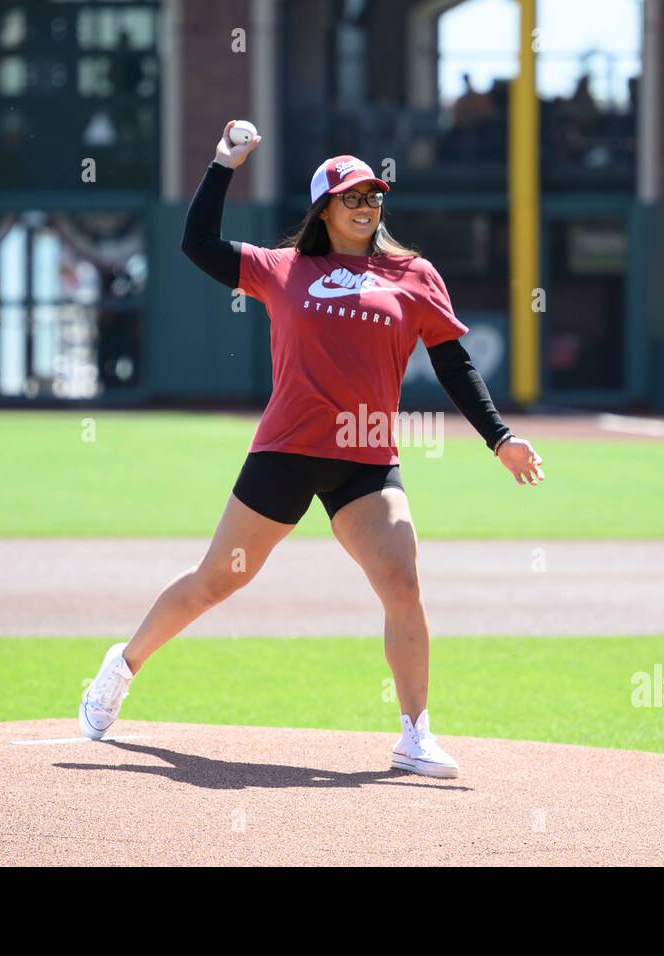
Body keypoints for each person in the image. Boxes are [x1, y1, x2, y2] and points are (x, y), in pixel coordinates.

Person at [77, 123, 544, 779]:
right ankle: (121, 667)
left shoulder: (412, 275)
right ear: (325, 208)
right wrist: (221, 165)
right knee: (218, 579)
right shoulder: (282, 268)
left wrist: (499, 437)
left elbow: (454, 363)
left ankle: (414, 733)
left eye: (374, 197)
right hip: (287, 450)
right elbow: (197, 244)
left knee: (402, 582)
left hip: (365, 459)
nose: (365, 207)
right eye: (352, 197)